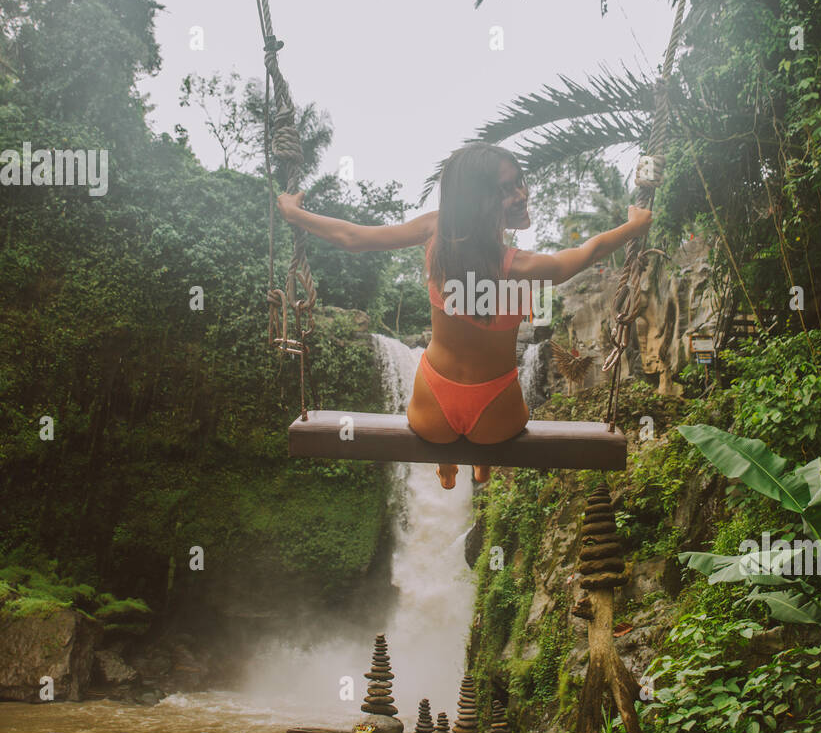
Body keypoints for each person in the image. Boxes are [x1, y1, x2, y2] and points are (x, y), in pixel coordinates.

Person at [276, 142, 651, 488]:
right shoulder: (523, 267)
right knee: (487, 440)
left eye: (519, 182)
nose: (521, 194)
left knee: (443, 434)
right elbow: (588, 251)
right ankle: (480, 458)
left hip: (432, 407)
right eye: (505, 190)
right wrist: (634, 225)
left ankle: (447, 462)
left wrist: (295, 213)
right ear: (479, 199)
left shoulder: (435, 231)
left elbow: (353, 238)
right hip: (496, 412)